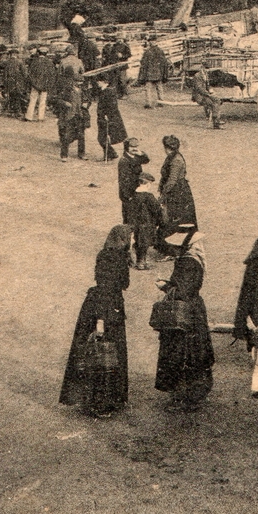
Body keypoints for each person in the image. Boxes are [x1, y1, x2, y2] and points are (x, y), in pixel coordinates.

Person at [59, 226, 133, 417]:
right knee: (103, 355)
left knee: (102, 355)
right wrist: (100, 321)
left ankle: (102, 399)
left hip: (107, 308)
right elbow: (106, 288)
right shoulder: (112, 258)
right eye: (131, 238)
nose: (133, 241)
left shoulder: (111, 255)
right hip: (105, 311)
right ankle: (102, 403)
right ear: (123, 239)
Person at [152, 229, 214, 411]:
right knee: (195, 353)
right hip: (195, 312)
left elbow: (184, 291)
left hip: (185, 315)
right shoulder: (195, 260)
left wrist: (166, 287)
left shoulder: (187, 263)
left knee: (181, 354)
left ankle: (184, 399)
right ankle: (194, 394)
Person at [157, 135, 197, 245]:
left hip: (177, 192)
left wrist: (163, 195)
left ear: (166, 147)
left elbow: (172, 180)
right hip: (177, 190)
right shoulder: (173, 156)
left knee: (174, 219)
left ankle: (174, 247)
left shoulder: (176, 160)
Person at [53, 76, 89, 162]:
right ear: (74, 82)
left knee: (81, 136)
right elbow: (58, 100)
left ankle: (81, 154)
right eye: (78, 82)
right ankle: (64, 155)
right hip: (68, 116)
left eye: (81, 82)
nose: (80, 84)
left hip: (80, 115)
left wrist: (86, 104)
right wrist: (65, 103)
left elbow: (88, 100)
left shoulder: (83, 91)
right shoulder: (67, 90)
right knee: (66, 136)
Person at [117, 137, 151, 223]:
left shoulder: (135, 156)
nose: (135, 149)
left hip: (136, 190)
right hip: (129, 194)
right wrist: (128, 196)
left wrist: (141, 153)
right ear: (126, 147)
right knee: (128, 217)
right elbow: (124, 181)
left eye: (136, 146)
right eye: (132, 147)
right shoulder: (124, 161)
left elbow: (146, 160)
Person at [95, 77, 128, 162]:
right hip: (104, 117)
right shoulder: (104, 90)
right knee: (103, 138)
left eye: (99, 80)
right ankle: (110, 154)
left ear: (104, 82)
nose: (97, 82)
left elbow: (112, 106)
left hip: (108, 118)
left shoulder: (109, 91)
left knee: (103, 138)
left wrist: (107, 115)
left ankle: (111, 154)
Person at [137, 33, 172, 109]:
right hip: (158, 72)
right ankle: (161, 102)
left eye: (153, 41)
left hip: (150, 73)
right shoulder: (160, 51)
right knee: (158, 88)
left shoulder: (147, 52)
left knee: (149, 89)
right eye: (151, 41)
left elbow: (143, 62)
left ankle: (149, 103)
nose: (152, 42)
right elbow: (164, 62)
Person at [26, 46, 57, 123]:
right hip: (44, 85)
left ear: (38, 53)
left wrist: (33, 83)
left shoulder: (34, 62)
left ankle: (29, 116)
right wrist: (49, 84)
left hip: (35, 85)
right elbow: (52, 75)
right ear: (46, 53)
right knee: (43, 101)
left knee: (32, 100)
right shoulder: (49, 63)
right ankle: (40, 117)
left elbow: (30, 74)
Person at [0, 48, 28, 119]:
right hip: (17, 82)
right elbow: (24, 73)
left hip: (8, 82)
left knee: (11, 95)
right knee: (18, 96)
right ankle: (18, 112)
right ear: (16, 54)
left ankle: (12, 110)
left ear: (10, 55)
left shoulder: (6, 62)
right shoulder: (20, 62)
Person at [103, 34, 133, 98]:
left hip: (122, 66)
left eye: (121, 39)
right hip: (115, 65)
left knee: (122, 80)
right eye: (118, 39)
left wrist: (122, 56)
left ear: (123, 40)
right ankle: (118, 94)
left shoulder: (126, 46)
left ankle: (125, 94)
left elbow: (129, 55)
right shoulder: (114, 46)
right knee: (116, 80)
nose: (119, 40)